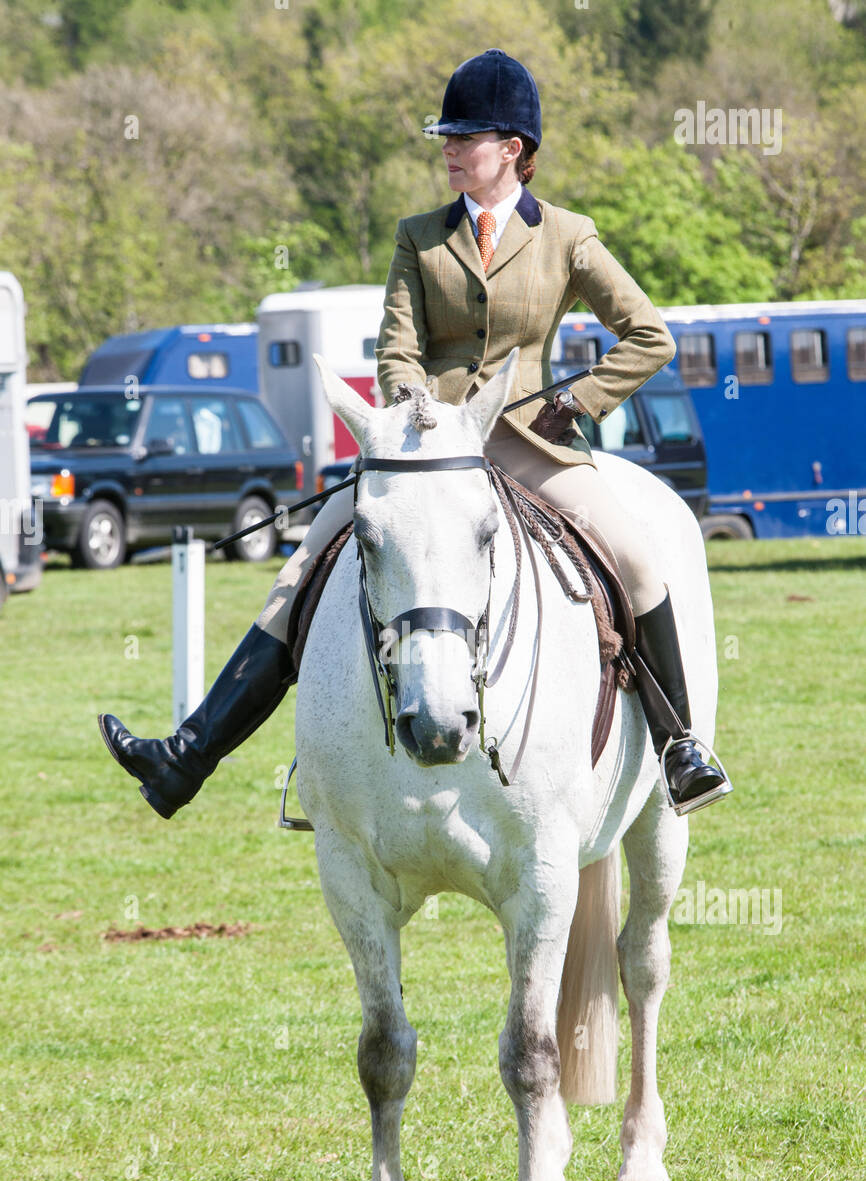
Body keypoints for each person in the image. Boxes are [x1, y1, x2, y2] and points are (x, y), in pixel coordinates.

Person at [99, 48, 729, 818]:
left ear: (514, 150)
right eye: (446, 137)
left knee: (634, 559)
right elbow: (396, 345)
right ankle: (187, 757)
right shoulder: (418, 236)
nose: (450, 149)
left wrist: (585, 400)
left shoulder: (568, 235)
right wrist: (412, 411)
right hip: (428, 449)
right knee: (300, 576)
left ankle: (680, 746)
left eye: (466, 137)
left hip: (530, 440)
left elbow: (648, 334)